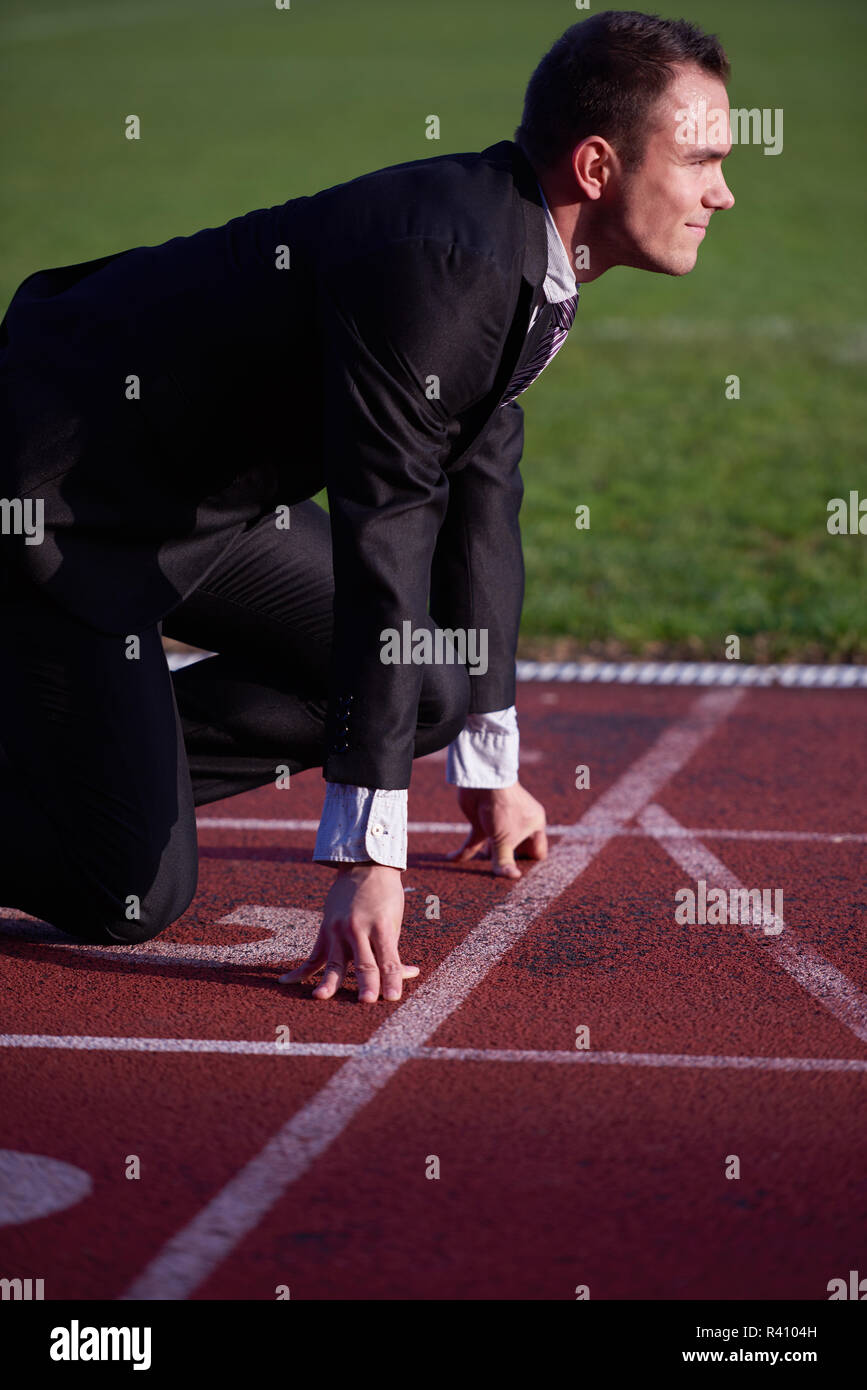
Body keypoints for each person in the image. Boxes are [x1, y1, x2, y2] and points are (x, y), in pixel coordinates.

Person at [0, 11, 734, 1003]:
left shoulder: (525, 249)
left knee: (434, 688)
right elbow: (388, 538)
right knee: (127, 889)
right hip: (59, 505)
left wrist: (487, 751)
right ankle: (86, 786)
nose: (722, 194)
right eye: (701, 162)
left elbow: (481, 493)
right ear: (599, 167)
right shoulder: (450, 267)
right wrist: (367, 858)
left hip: (192, 506)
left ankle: (80, 756)